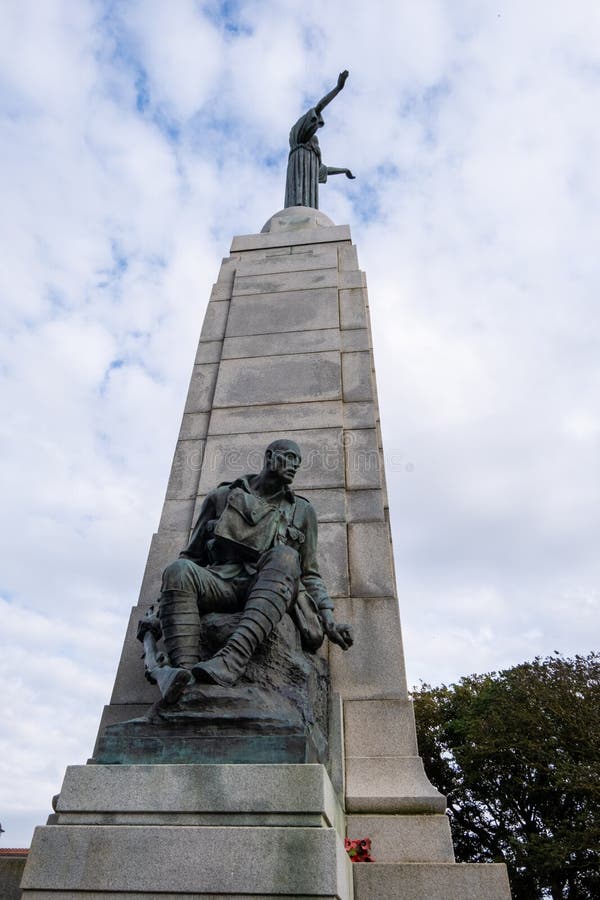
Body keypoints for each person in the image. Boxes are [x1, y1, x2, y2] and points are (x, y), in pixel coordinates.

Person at [143, 439, 353, 704]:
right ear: (269, 456)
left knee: (286, 556)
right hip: (220, 582)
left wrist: (328, 617)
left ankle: (231, 661)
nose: (294, 466)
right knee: (178, 570)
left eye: (297, 462)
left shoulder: (303, 511)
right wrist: (160, 606)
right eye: (288, 457)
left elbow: (310, 573)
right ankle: (184, 677)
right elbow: (192, 555)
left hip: (269, 588)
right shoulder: (221, 497)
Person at [284, 70, 356, 209]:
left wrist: (344, 170)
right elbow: (320, 106)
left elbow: (325, 170)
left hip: (308, 177)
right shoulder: (300, 139)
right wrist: (338, 88)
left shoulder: (313, 159)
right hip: (297, 165)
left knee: (308, 206)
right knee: (297, 200)